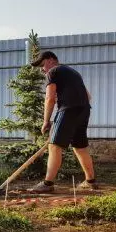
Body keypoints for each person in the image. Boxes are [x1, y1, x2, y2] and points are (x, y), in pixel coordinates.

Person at [27, 50, 98, 193]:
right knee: (80, 147)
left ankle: (47, 184)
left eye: (42, 65)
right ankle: (90, 181)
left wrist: (46, 121)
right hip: (84, 110)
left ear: (50, 60)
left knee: (54, 146)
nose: (42, 69)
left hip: (68, 110)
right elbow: (88, 96)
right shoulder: (73, 72)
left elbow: (49, 98)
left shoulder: (53, 71)